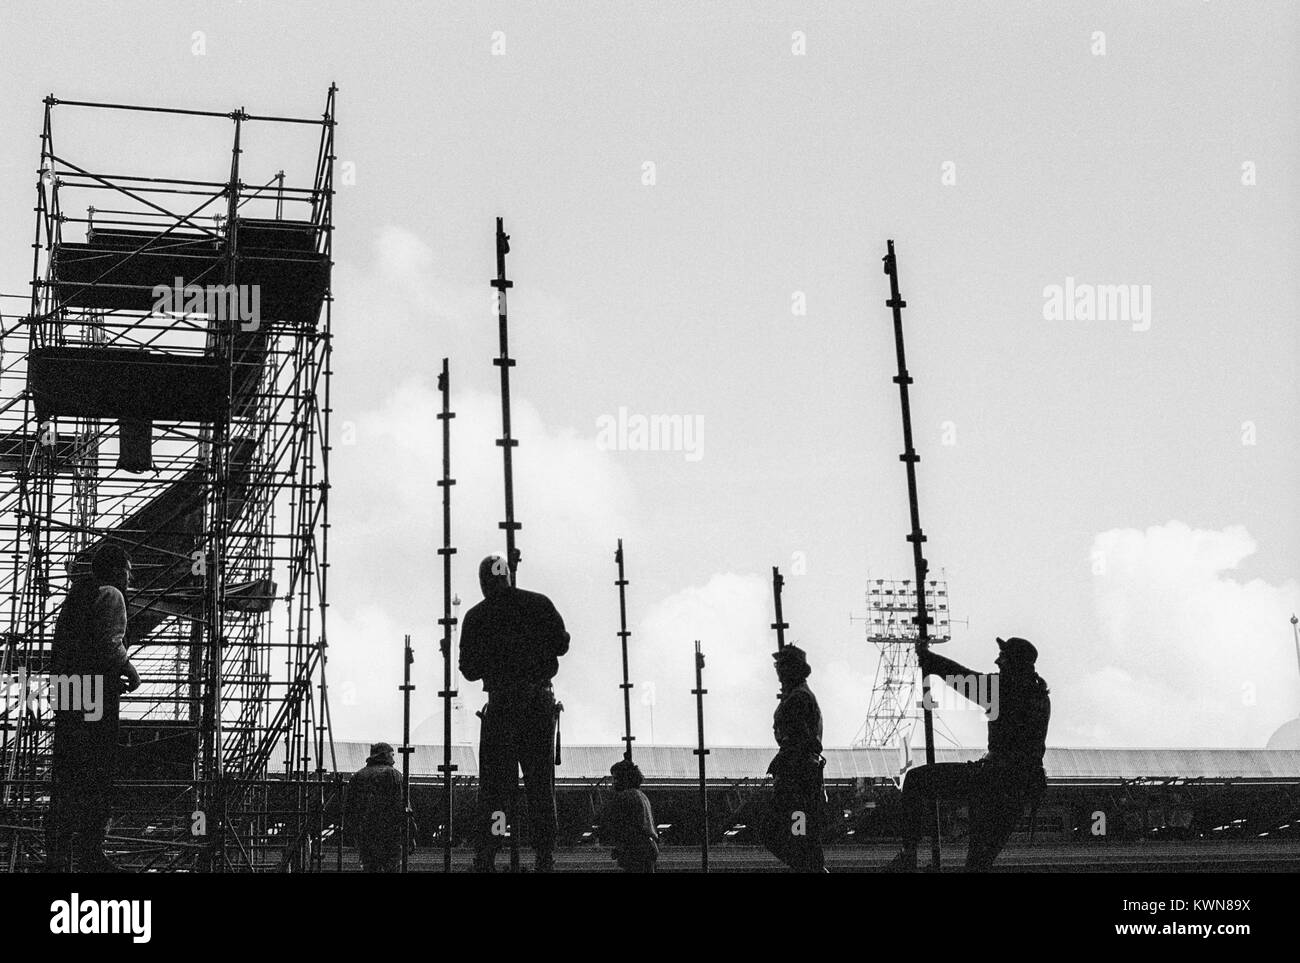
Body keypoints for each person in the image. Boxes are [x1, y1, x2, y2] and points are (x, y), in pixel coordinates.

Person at [886, 636, 1051, 872]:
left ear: (1012, 662)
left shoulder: (1007, 689)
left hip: (994, 780)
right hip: (1020, 786)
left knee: (915, 780)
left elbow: (963, 679)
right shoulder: (1039, 695)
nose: (997, 661)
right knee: (979, 863)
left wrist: (930, 660)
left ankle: (908, 854)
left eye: (1002, 658)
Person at [460, 554, 570, 872]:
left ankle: (490, 854)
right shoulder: (538, 604)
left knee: (496, 790)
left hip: (502, 707)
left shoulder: (477, 617)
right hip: (538, 706)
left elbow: (468, 669)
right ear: (509, 575)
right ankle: (544, 856)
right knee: (540, 786)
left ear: (483, 582)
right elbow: (561, 644)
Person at [46, 543, 141, 873]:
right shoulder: (111, 595)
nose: (130, 579)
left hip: (69, 695)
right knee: (96, 775)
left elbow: (71, 649)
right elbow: (109, 642)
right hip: (94, 700)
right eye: (128, 572)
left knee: (67, 777)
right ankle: (90, 852)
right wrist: (131, 672)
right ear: (116, 571)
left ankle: (58, 857)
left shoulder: (74, 599)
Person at [759, 644, 827, 872]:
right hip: (800, 776)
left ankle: (810, 868)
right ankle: (810, 867)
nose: (778, 671)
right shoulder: (798, 696)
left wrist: (786, 764)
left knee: (789, 833)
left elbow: (800, 739)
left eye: (782, 666)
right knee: (801, 835)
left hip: (797, 779)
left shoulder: (798, 698)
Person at [344, 742, 405, 873]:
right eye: (392, 755)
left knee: (370, 867)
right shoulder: (394, 774)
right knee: (391, 868)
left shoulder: (358, 776)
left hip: (366, 835)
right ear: (385, 755)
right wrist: (410, 835)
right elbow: (402, 807)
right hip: (390, 835)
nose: (393, 760)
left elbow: (349, 809)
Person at [597, 758, 659, 872]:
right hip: (648, 848)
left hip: (635, 851)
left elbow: (619, 824)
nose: (613, 782)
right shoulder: (641, 795)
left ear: (624, 779)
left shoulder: (625, 797)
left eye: (616, 778)